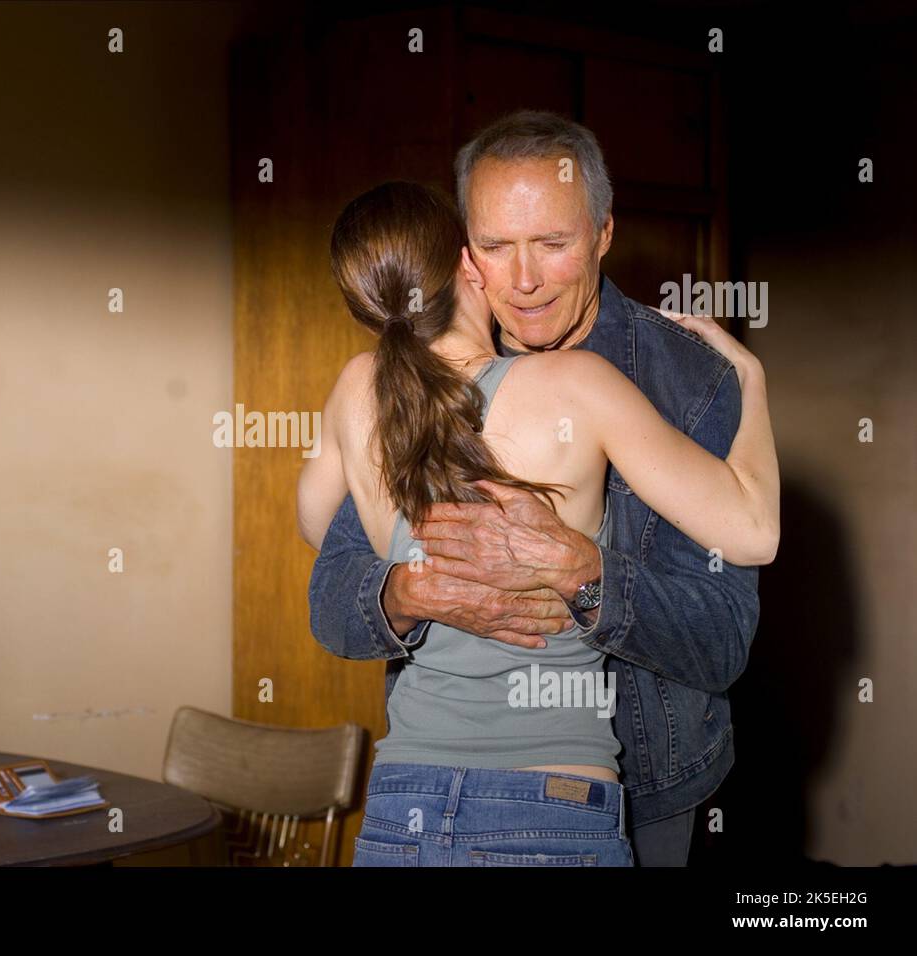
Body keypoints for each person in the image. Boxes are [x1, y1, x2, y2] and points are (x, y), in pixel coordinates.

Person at [302, 112, 776, 866]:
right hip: (451, 791)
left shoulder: (690, 378)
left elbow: (720, 643)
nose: (522, 281)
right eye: (496, 247)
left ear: (603, 234)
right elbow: (331, 598)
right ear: (463, 255)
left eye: (553, 245)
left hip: (649, 789)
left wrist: (585, 573)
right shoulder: (407, 380)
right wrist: (411, 591)